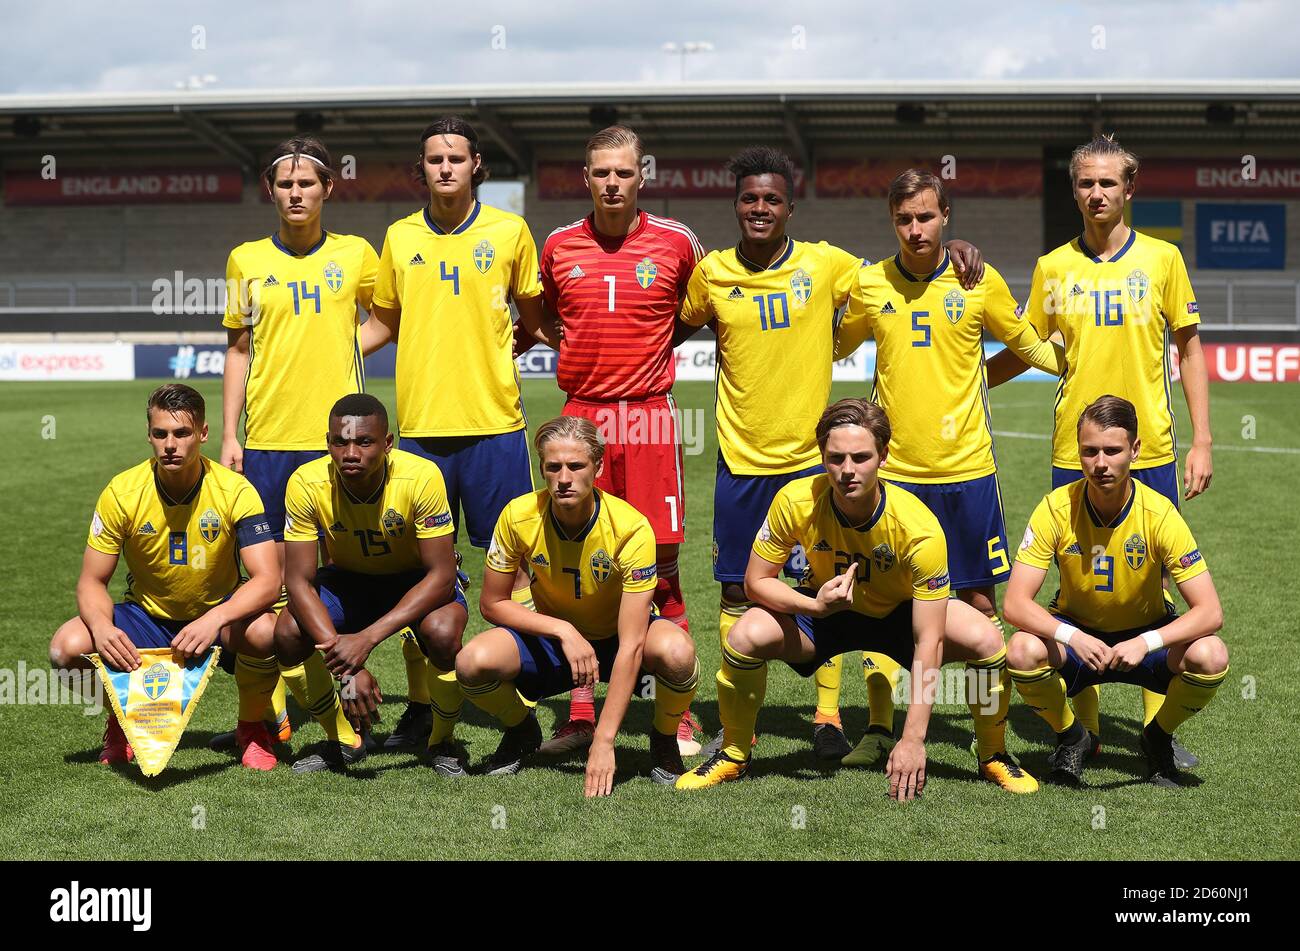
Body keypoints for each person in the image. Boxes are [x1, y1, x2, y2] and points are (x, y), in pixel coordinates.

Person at [676, 146, 986, 761]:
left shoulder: (827, 265)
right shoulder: (710, 274)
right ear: (735, 205)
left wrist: (955, 252)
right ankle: (742, 727)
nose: (759, 208)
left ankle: (829, 718)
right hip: (739, 461)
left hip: (809, 463)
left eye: (771, 199)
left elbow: (898, 271)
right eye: (748, 198)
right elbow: (676, 327)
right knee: (738, 592)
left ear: (790, 207)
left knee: (839, 584)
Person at [675, 398, 1037, 795]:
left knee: (985, 637)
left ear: (883, 455)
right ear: (822, 456)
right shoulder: (795, 500)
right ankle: (733, 754)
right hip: (825, 612)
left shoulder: (918, 527)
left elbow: (929, 639)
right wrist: (814, 605)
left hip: (900, 615)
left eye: (861, 457)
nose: (847, 470)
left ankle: (993, 755)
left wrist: (914, 739)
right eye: (836, 458)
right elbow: (755, 581)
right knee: (745, 634)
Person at [989, 133, 1213, 769]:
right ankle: (1081, 733)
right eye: (1086, 182)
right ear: (1074, 190)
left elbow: (1190, 348)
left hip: (1151, 450)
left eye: (1108, 182)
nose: (1097, 193)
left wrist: (1202, 440)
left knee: (1154, 584)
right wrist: (964, 376)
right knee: (1076, 582)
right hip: (1075, 450)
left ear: (1129, 189)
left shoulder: (1164, 261)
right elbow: (1029, 348)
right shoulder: (1052, 268)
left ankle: (1155, 729)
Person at [828, 169, 1063, 765]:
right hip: (896, 477)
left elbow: (1033, 346)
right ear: (892, 222)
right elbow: (830, 345)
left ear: (946, 215)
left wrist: (1089, 358)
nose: (915, 229)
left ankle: (989, 744)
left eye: (926, 217)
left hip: (967, 473)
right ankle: (881, 728)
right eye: (904, 219)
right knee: (881, 606)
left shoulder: (976, 283)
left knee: (980, 611)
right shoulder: (869, 283)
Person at [363, 116, 553, 751]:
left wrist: (492, 358)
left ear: (477, 167)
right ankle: (421, 709)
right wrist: (324, 357)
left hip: (495, 427)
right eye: (434, 159)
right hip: (417, 432)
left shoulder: (509, 231)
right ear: (422, 170)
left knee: (517, 566)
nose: (445, 167)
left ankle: (519, 695)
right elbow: (384, 322)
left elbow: (532, 319)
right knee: (426, 576)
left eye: (456, 158)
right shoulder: (397, 237)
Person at [536, 124, 705, 756]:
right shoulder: (557, 246)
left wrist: (646, 356)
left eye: (623, 173)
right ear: (586, 178)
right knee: (576, 564)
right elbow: (547, 315)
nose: (612, 183)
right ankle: (582, 711)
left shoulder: (678, 243)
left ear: (643, 175)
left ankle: (677, 710)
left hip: (650, 418)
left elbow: (694, 313)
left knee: (661, 565)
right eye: (601, 173)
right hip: (582, 416)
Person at [219, 134, 379, 749]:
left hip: (337, 446)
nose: (295, 193)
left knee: (324, 582)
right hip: (265, 442)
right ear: (271, 191)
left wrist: (342, 352)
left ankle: (343, 701)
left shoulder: (358, 255)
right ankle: (271, 715)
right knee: (267, 585)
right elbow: (237, 350)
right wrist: (231, 434)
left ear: (328, 189)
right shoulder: (245, 260)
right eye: (284, 184)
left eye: (306, 183)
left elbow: (385, 318)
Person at [455, 416, 699, 797]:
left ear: (598, 468)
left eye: (575, 466)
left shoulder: (631, 528)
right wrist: (562, 630)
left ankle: (664, 738)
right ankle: (522, 729)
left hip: (618, 640)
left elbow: (633, 643)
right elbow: (492, 603)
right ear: (542, 469)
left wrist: (604, 740)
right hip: (557, 644)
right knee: (472, 663)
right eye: (553, 467)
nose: (563, 478)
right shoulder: (517, 516)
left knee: (677, 652)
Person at [48, 384, 281, 770]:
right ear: (149, 435)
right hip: (147, 617)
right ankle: (123, 719)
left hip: (218, 615)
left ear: (203, 434)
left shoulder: (235, 490)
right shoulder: (122, 492)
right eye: (160, 434)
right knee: (66, 648)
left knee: (266, 632)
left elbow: (267, 579)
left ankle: (251, 727)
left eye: (182, 433)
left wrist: (215, 618)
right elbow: (92, 581)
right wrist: (102, 628)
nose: (170, 444)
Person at [1004, 396, 1227, 787]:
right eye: (1090, 451)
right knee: (1022, 649)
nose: (1101, 463)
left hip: (1146, 639)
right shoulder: (1055, 508)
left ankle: (1157, 737)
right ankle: (1072, 737)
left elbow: (1210, 612)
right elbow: (1015, 604)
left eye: (1113, 450)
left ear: (1135, 450)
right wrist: (1072, 636)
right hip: (1078, 636)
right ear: (1078, 452)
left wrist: (1146, 642)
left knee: (1210, 654)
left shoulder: (1160, 514)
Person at [274, 394, 468, 774]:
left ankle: (441, 739)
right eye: (339, 442)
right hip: (349, 582)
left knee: (443, 633)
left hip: (415, 580)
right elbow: (297, 581)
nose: (350, 453)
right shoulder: (306, 482)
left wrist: (366, 639)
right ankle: (345, 739)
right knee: (286, 633)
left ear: (388, 443)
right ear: (327, 441)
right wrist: (346, 668)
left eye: (363, 442)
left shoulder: (421, 476)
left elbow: (442, 576)